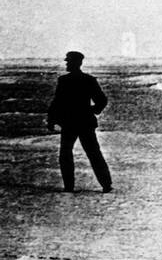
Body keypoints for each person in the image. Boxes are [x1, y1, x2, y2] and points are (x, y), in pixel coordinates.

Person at [46, 51, 112, 193]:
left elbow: (57, 102)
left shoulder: (64, 80)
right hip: (85, 122)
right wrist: (92, 110)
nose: (67, 64)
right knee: (93, 154)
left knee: (66, 154)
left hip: (70, 123)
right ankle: (106, 184)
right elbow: (102, 100)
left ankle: (69, 187)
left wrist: (51, 119)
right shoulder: (88, 80)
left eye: (69, 62)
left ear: (77, 63)